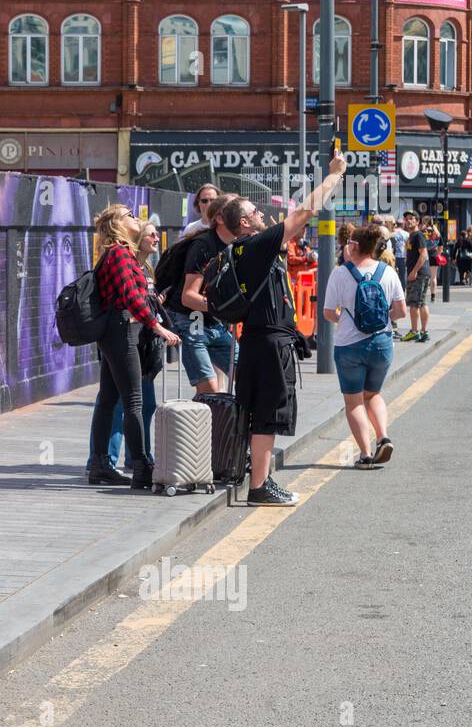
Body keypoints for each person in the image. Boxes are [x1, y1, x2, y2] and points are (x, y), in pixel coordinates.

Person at [223, 152, 347, 507]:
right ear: (244, 224)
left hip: (257, 342)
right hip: (267, 345)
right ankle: (259, 486)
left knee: (262, 412)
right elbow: (306, 211)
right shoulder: (255, 245)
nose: (263, 216)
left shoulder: (246, 249)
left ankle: (262, 479)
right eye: (255, 213)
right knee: (268, 414)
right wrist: (334, 175)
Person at [88, 208, 180, 488]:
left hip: (118, 330)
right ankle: (141, 466)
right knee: (134, 402)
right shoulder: (118, 254)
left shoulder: (122, 254)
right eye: (129, 214)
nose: (135, 217)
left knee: (107, 399)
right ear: (118, 223)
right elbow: (131, 295)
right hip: (122, 329)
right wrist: (157, 326)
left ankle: (101, 465)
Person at [322, 224, 407, 470]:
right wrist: (379, 318)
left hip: (349, 345)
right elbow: (400, 312)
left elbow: (328, 312)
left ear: (355, 246)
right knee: (373, 395)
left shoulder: (340, 273)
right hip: (381, 343)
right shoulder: (388, 272)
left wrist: (347, 321)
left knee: (354, 401)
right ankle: (383, 437)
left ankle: (366, 455)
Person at [164, 192, 260, 395]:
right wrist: (224, 307)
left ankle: (235, 425)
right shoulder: (204, 246)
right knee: (209, 388)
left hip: (215, 322)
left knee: (247, 375)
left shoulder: (237, 244)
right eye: (234, 207)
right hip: (191, 320)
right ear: (220, 219)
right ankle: (205, 426)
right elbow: (188, 296)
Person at [401, 211, 431, 342]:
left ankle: (414, 331)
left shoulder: (418, 235)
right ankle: (424, 332)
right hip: (422, 273)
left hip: (418, 274)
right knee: (422, 303)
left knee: (414, 304)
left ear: (417, 222)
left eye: (411, 219)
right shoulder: (412, 236)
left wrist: (414, 272)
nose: (408, 221)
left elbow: (423, 254)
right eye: (407, 219)